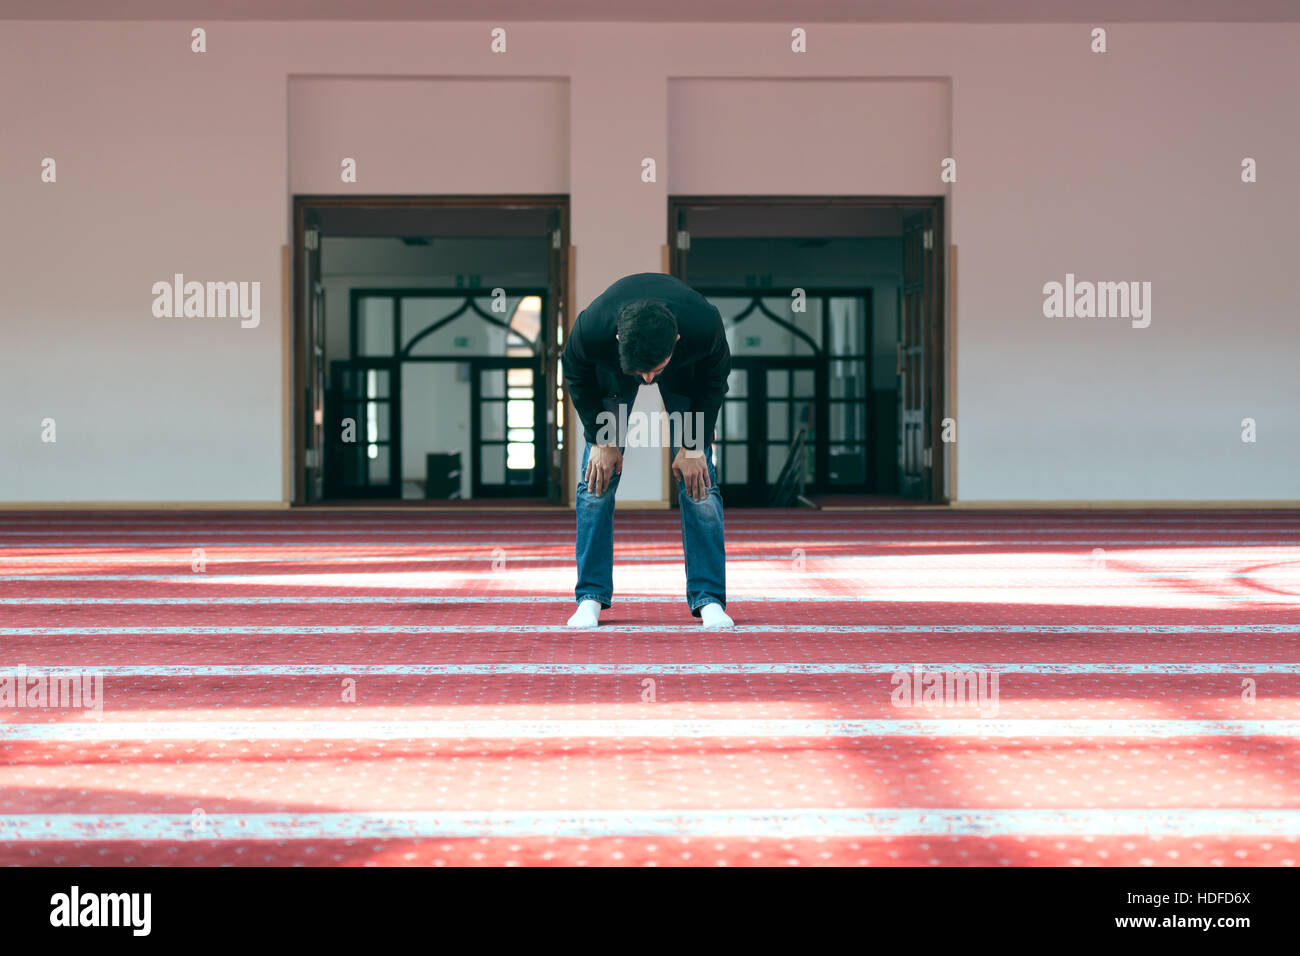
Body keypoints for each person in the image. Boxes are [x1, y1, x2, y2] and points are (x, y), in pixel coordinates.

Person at [560, 273, 734, 628]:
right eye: (642, 373)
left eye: (655, 371)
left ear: (678, 341)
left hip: (688, 375)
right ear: (619, 339)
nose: (649, 381)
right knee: (596, 482)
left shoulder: (704, 325)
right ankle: (590, 597)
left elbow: (714, 382)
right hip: (614, 372)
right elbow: (575, 374)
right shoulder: (592, 328)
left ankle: (709, 599)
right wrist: (601, 439)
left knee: (699, 480)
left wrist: (694, 445)